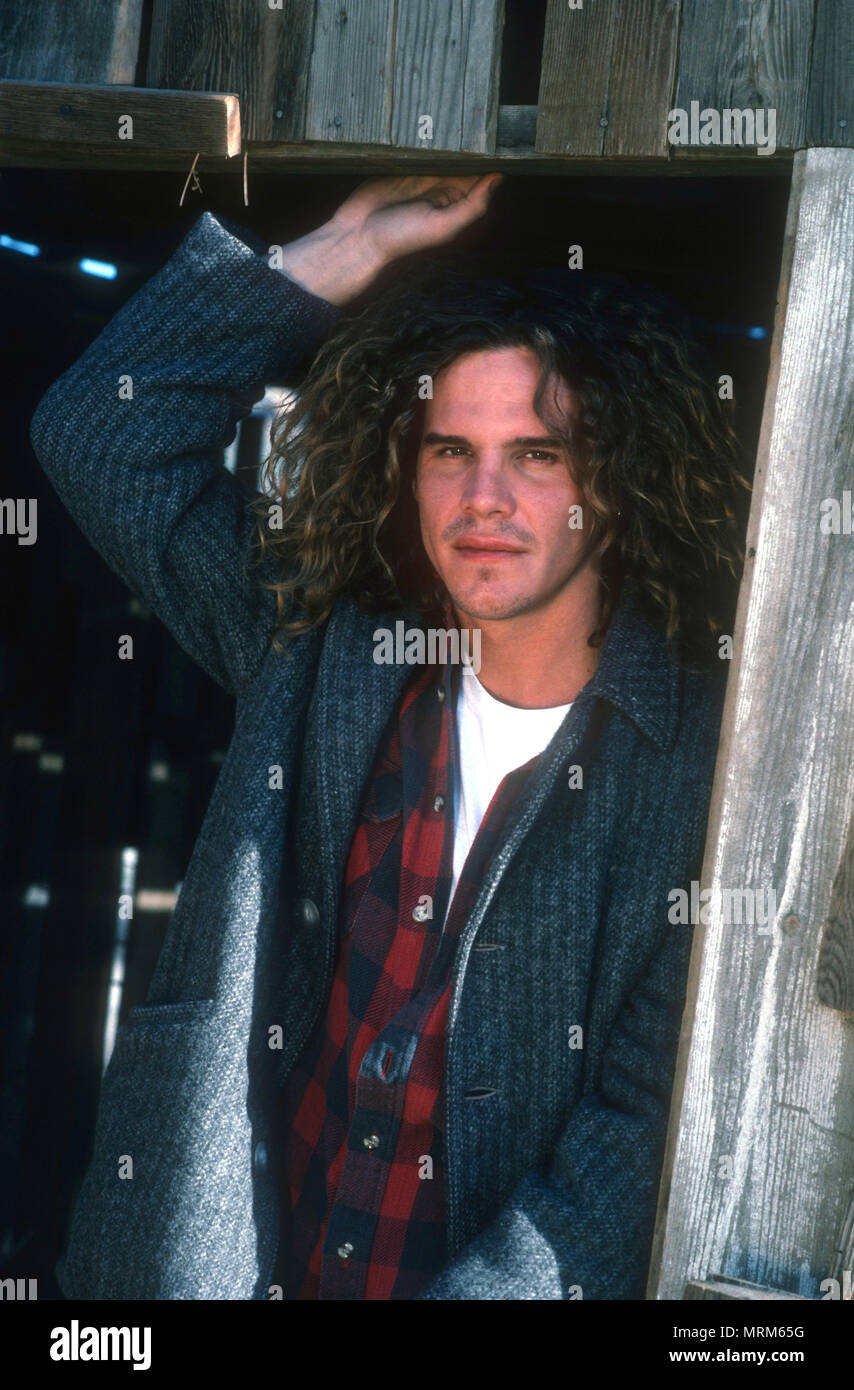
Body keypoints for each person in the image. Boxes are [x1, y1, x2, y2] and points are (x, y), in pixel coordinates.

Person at [30, 175, 747, 1300]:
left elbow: (631, 1140)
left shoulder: (695, 768)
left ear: (609, 486)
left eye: (540, 454)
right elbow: (99, 435)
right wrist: (336, 249)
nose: (485, 497)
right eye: (450, 450)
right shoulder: (317, 656)